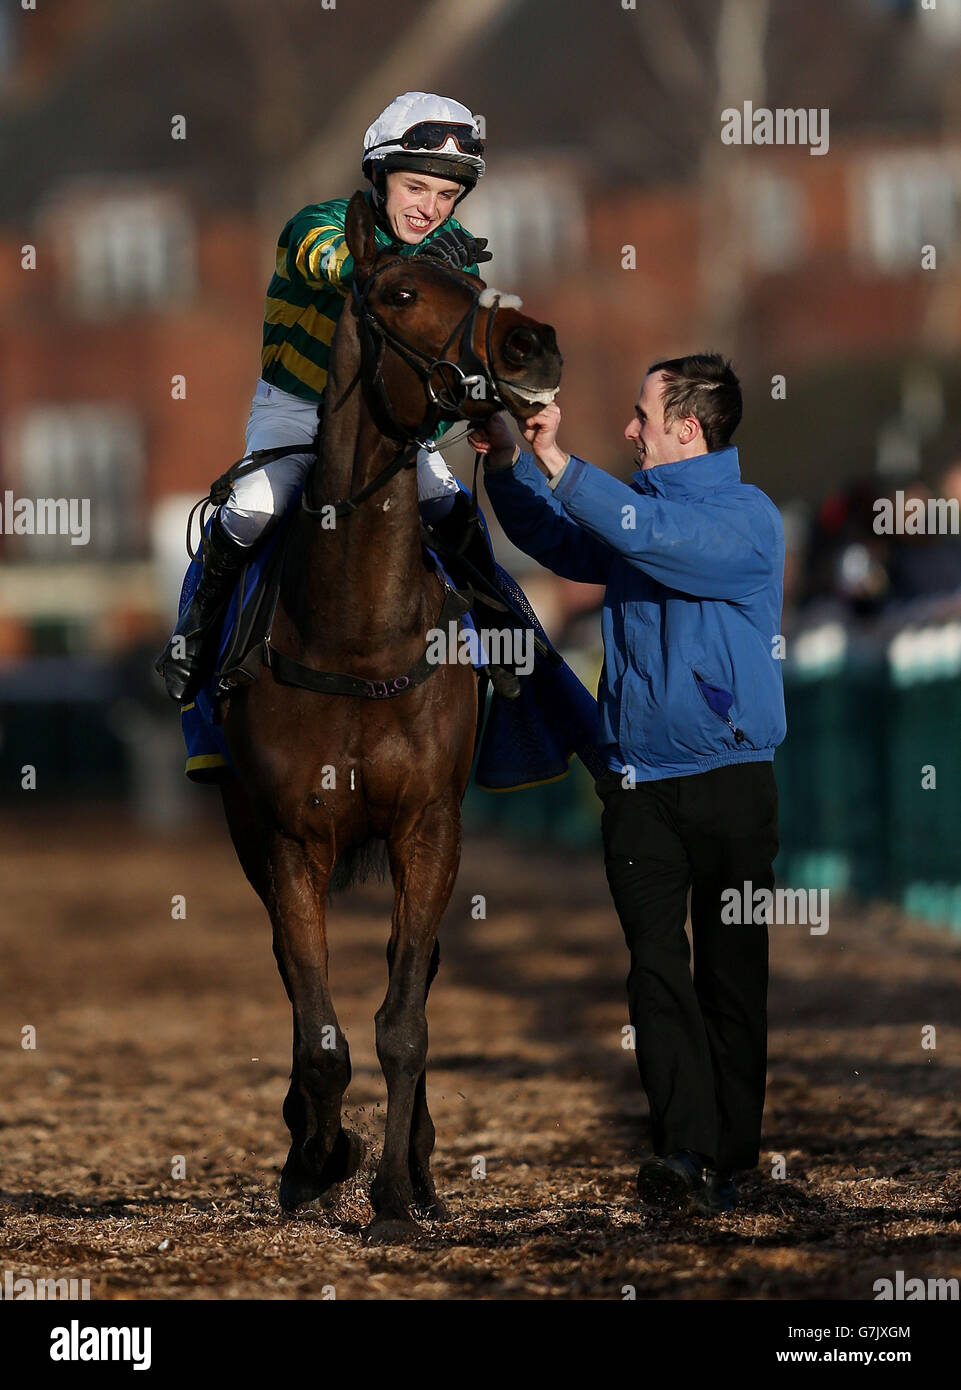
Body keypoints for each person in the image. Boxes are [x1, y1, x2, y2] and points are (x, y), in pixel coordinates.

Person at [471, 354, 786, 1214]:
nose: (630, 429)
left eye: (642, 415)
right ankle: (684, 1152)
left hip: (732, 783)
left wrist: (563, 465)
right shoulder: (633, 508)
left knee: (730, 976)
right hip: (638, 785)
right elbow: (557, 537)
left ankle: (732, 1159)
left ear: (687, 428)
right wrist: (506, 461)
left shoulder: (748, 519)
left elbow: (653, 541)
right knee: (654, 973)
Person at [156, 90, 519, 702]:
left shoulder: (450, 245)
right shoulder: (318, 225)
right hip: (296, 409)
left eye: (446, 196)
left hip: (389, 421)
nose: (431, 209)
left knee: (450, 507)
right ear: (378, 179)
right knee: (250, 509)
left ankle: (503, 630)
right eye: (415, 188)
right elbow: (340, 265)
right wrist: (426, 265)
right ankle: (194, 634)